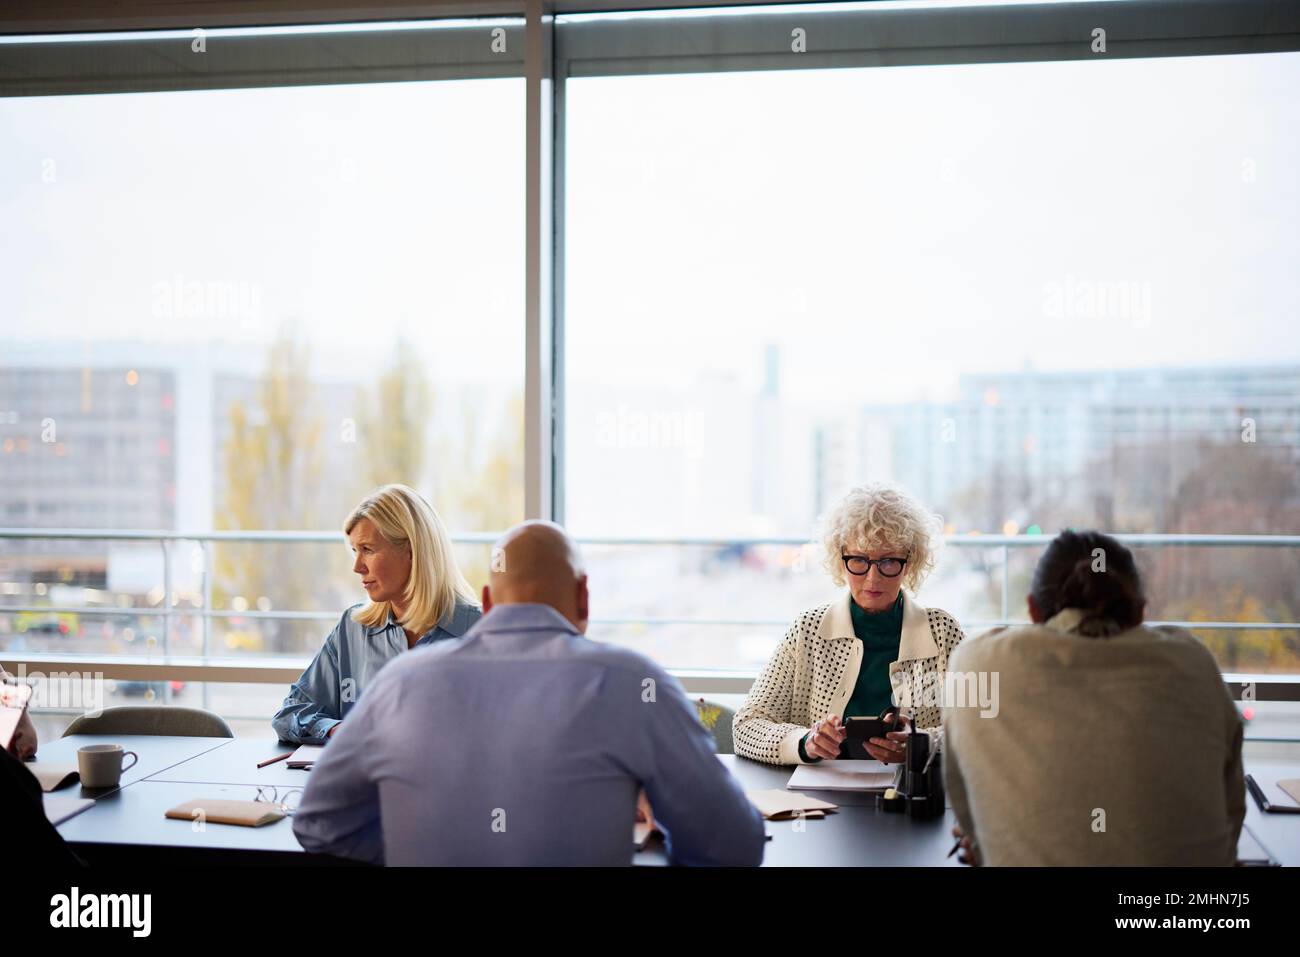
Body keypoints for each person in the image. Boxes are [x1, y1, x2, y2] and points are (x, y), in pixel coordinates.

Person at [292, 520, 766, 866]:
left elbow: (317, 822)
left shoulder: (398, 683)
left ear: (489, 602)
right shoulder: (634, 684)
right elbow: (734, 845)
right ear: (584, 598)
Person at [943, 530, 1245, 866]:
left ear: (1032, 608)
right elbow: (1230, 822)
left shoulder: (977, 663)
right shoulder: (1194, 663)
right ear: (1140, 612)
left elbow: (970, 819)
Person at [733, 483, 965, 765]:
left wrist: (921, 744)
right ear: (840, 559)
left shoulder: (942, 632)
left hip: (911, 795)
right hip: (820, 799)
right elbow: (747, 725)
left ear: (909, 563)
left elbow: (982, 730)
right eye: (859, 560)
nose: (872, 578)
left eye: (889, 561)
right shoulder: (808, 630)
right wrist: (807, 742)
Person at [272, 484, 481, 744]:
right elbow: (290, 713)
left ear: (411, 551)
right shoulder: (353, 628)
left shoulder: (480, 633)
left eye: (368, 550)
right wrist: (336, 731)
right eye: (354, 551)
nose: (357, 567)